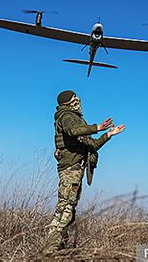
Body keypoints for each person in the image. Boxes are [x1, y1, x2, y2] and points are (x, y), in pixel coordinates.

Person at [43, 90, 125, 255]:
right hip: (70, 168)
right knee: (65, 209)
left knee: (69, 210)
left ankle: (60, 249)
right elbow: (72, 131)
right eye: (74, 98)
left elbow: (91, 146)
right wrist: (97, 127)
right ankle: (49, 250)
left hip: (76, 169)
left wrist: (108, 134)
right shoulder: (66, 116)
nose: (78, 101)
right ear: (67, 102)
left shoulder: (76, 119)